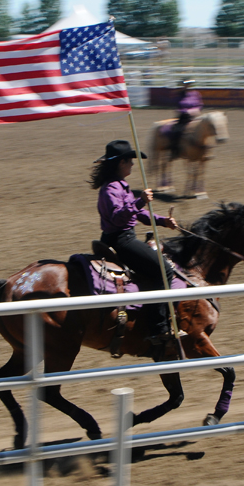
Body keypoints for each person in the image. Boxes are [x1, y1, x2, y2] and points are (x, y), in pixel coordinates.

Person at [90, 140, 178, 359]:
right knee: (165, 271)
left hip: (122, 236)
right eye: (130, 161)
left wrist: (162, 221)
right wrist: (139, 202)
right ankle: (159, 327)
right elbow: (119, 216)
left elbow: (136, 215)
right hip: (121, 240)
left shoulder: (119, 185)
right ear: (121, 162)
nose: (132, 165)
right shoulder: (111, 188)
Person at [169, 78, 203, 158]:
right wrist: (186, 112)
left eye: (189, 84)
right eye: (186, 84)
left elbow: (200, 105)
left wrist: (195, 110)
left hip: (194, 117)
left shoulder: (196, 94)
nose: (188, 86)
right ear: (183, 85)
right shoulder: (179, 95)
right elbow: (178, 106)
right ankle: (175, 151)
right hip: (184, 117)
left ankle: (204, 150)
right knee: (177, 131)